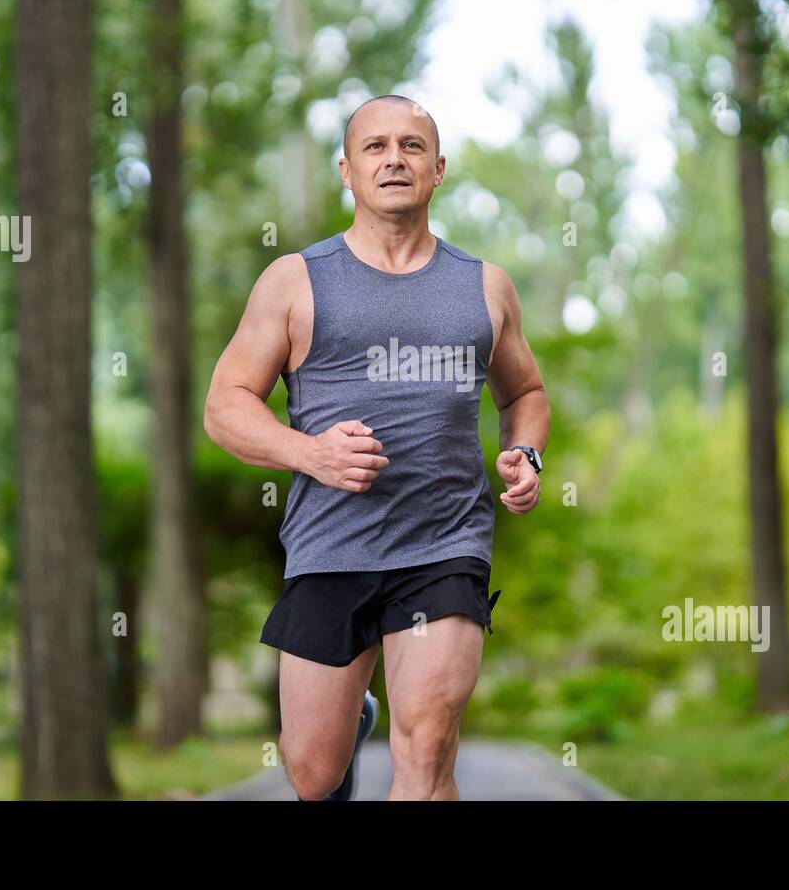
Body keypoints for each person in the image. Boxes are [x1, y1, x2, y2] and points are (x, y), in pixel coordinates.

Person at [203, 94, 550, 800]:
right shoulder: (297, 281)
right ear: (347, 170)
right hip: (331, 544)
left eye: (412, 146)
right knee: (312, 771)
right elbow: (224, 406)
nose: (395, 158)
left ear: (438, 169)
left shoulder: (483, 287)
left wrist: (527, 454)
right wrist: (309, 453)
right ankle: (349, 722)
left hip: (445, 545)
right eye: (375, 147)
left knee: (424, 752)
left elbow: (526, 394)